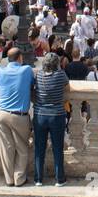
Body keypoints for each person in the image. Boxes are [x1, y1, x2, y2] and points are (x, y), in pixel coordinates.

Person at [0, 47, 34, 186]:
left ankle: (9, 179)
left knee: (6, 148)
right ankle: (19, 178)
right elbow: (32, 85)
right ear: (20, 58)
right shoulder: (26, 70)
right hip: (19, 116)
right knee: (22, 147)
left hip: (1, 113)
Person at [32, 51, 69, 186]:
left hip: (40, 114)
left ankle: (38, 178)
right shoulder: (61, 75)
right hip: (57, 114)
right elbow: (67, 87)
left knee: (39, 148)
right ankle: (59, 178)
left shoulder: (39, 75)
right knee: (57, 148)